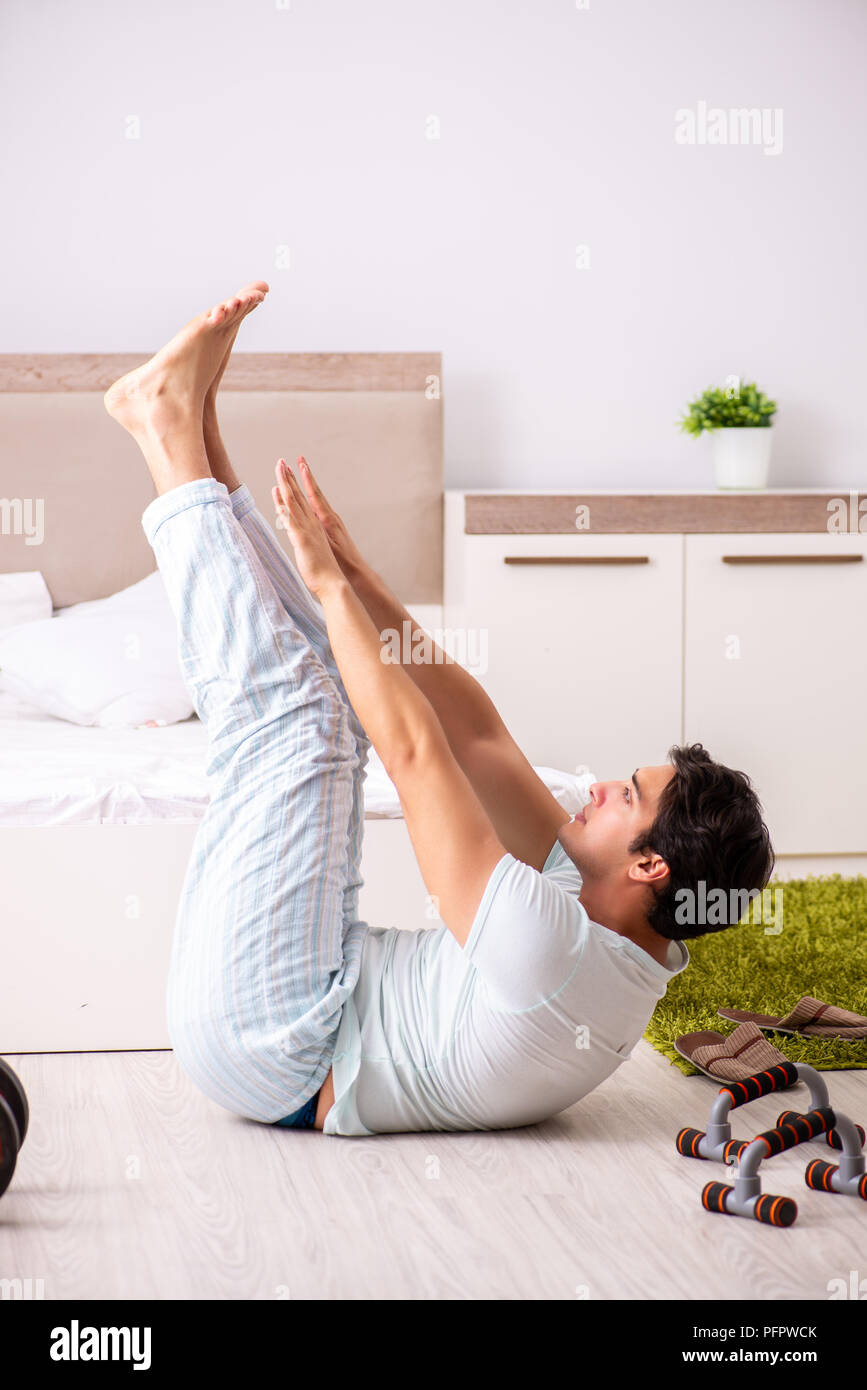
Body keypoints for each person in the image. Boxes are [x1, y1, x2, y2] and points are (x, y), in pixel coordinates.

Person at [104, 281, 775, 1137]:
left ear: (649, 866)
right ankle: (191, 429)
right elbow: (476, 735)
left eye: (628, 797)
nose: (601, 787)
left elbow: (417, 753)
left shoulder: (555, 955)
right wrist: (357, 578)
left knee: (306, 727)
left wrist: (326, 585)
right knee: (334, 681)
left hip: (279, 1054)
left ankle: (160, 425)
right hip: (323, 990)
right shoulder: (617, 920)